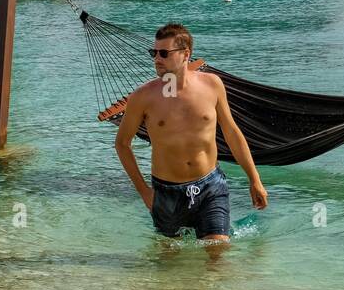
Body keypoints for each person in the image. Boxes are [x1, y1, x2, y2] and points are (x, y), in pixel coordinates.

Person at [114, 23, 268, 243]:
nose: (157, 59)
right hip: (167, 193)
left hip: (211, 186)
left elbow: (232, 132)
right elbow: (122, 144)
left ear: (186, 54)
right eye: (154, 52)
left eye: (164, 53)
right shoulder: (143, 97)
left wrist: (254, 179)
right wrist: (145, 192)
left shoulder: (212, 85)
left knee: (217, 251)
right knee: (169, 263)